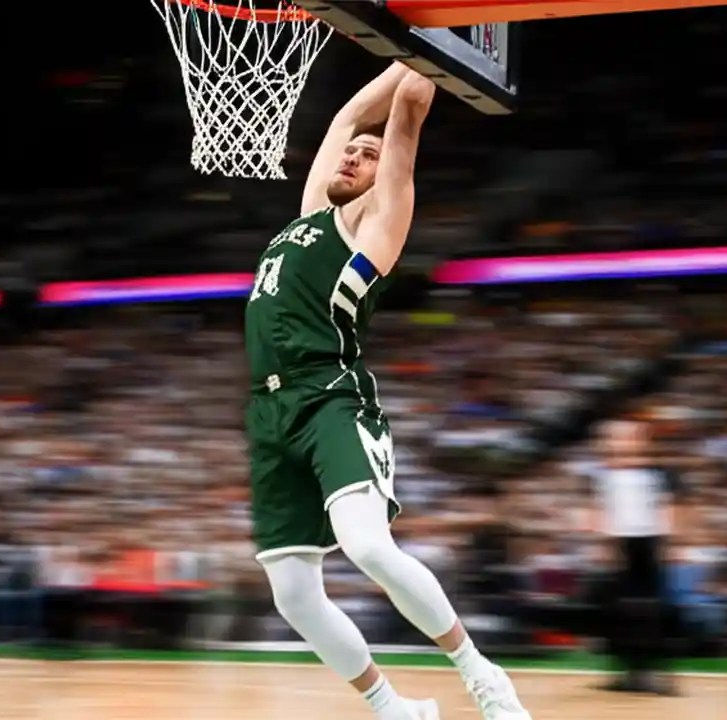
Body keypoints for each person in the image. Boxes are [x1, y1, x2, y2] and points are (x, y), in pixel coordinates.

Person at [243, 62, 532, 720]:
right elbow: (349, 115)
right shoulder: (313, 213)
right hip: (267, 409)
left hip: (328, 397)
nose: (353, 151)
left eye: (368, 155)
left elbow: (405, 110)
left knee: (368, 545)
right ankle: (394, 707)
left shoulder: (376, 222)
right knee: (291, 592)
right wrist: (399, 46)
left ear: (386, 177)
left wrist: (431, 48)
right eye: (350, 151)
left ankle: (479, 671)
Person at [585, 419, 680, 695]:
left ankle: (659, 674)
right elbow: (600, 510)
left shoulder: (658, 473)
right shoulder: (603, 475)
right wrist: (602, 544)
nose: (618, 444)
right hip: (619, 545)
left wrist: (669, 542)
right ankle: (627, 671)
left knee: (652, 611)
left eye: (626, 438)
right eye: (613, 438)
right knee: (618, 611)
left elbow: (670, 507)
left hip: (649, 544)